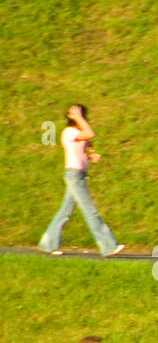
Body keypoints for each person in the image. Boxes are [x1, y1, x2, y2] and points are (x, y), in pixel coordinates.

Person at [37, 104, 125, 258]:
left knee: (64, 212)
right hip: (74, 176)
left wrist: (92, 154)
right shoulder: (69, 131)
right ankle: (109, 246)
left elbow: (86, 143)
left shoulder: (77, 132)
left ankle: (48, 244)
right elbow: (89, 134)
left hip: (79, 175)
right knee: (90, 211)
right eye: (81, 115)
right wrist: (78, 117)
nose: (83, 117)